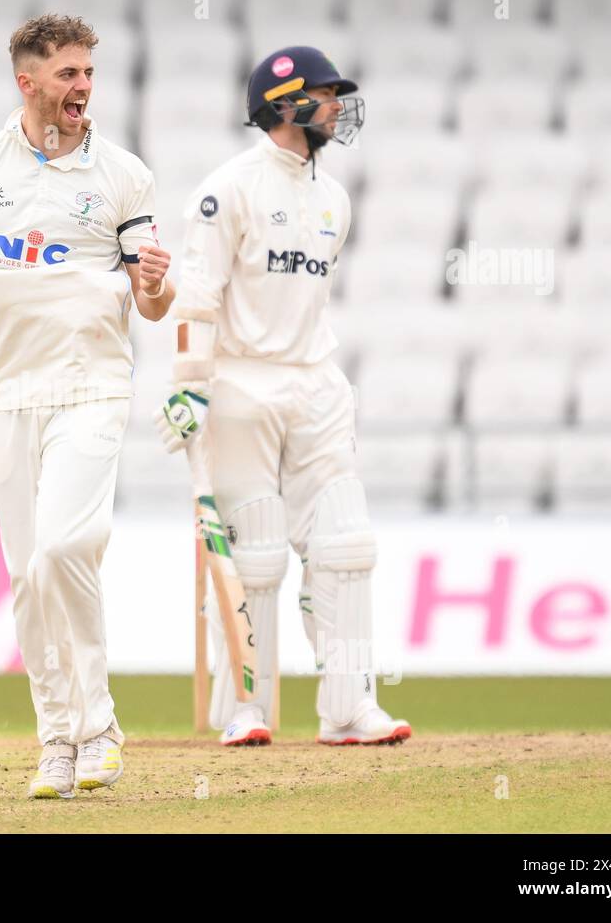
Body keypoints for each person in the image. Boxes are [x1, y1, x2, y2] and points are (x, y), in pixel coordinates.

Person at [0, 15, 174, 800]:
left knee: (61, 550)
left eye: (88, 73)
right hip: (4, 395)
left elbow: (155, 305)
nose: (84, 88)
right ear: (29, 82)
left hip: (91, 387)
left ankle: (100, 724)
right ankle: (57, 740)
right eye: (69, 75)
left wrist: (153, 280)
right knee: (24, 575)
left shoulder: (122, 175)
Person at [156, 46, 412, 748]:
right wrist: (190, 387)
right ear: (287, 103)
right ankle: (247, 708)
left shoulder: (335, 199)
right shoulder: (226, 189)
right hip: (241, 384)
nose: (338, 108)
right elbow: (198, 296)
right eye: (327, 95)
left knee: (346, 546)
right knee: (257, 556)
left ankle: (351, 707)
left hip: (317, 382)